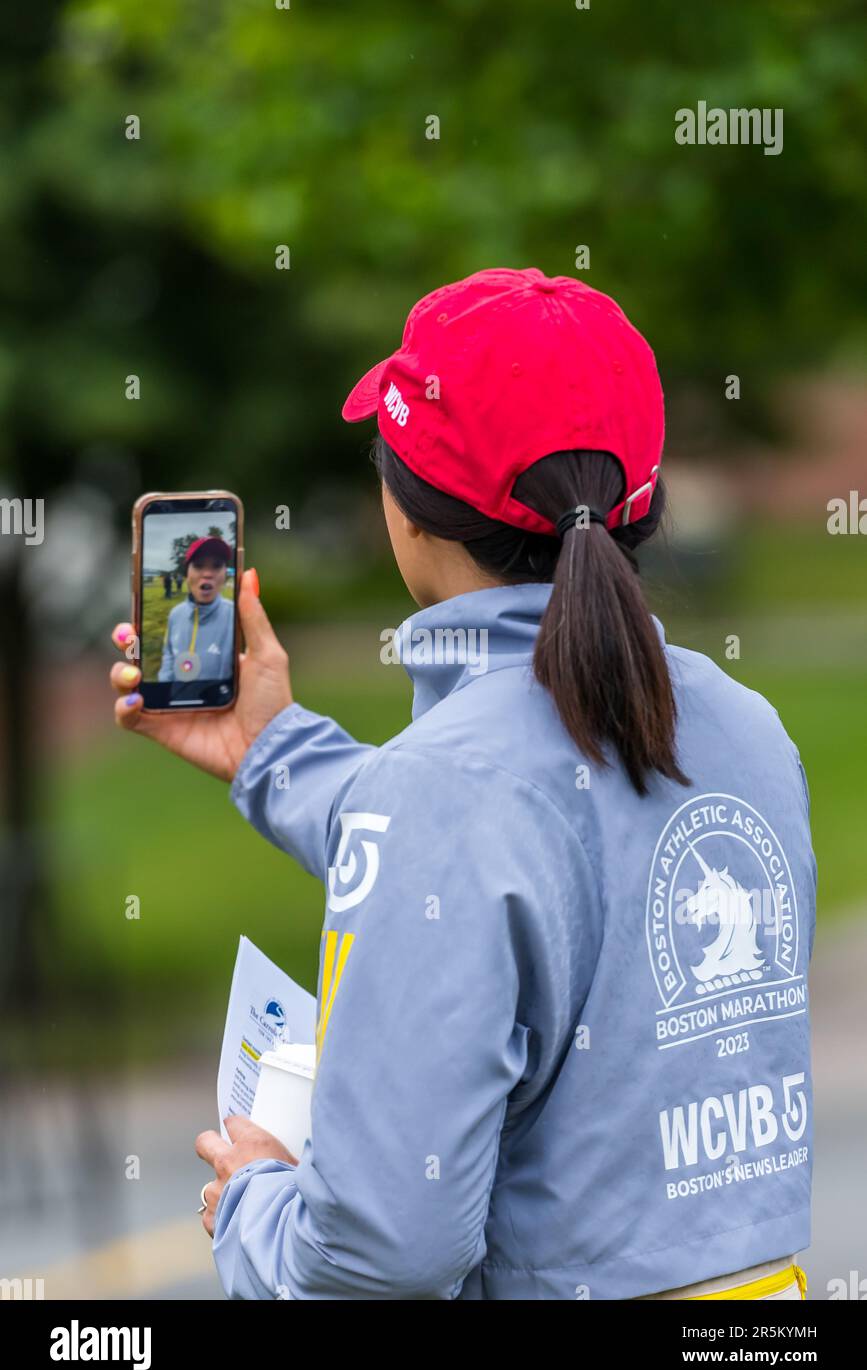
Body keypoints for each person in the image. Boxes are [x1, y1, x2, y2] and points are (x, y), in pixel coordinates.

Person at [111, 268, 815, 1301]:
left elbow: (376, 1255)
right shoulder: (748, 730)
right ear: (644, 502)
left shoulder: (442, 793)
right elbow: (529, 840)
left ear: (410, 511)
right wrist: (271, 750)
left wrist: (256, 1200)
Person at [156, 537, 235, 682]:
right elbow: (168, 656)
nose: (207, 574)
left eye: (216, 566)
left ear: (225, 575)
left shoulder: (236, 616)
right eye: (198, 566)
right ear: (187, 574)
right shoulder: (175, 614)